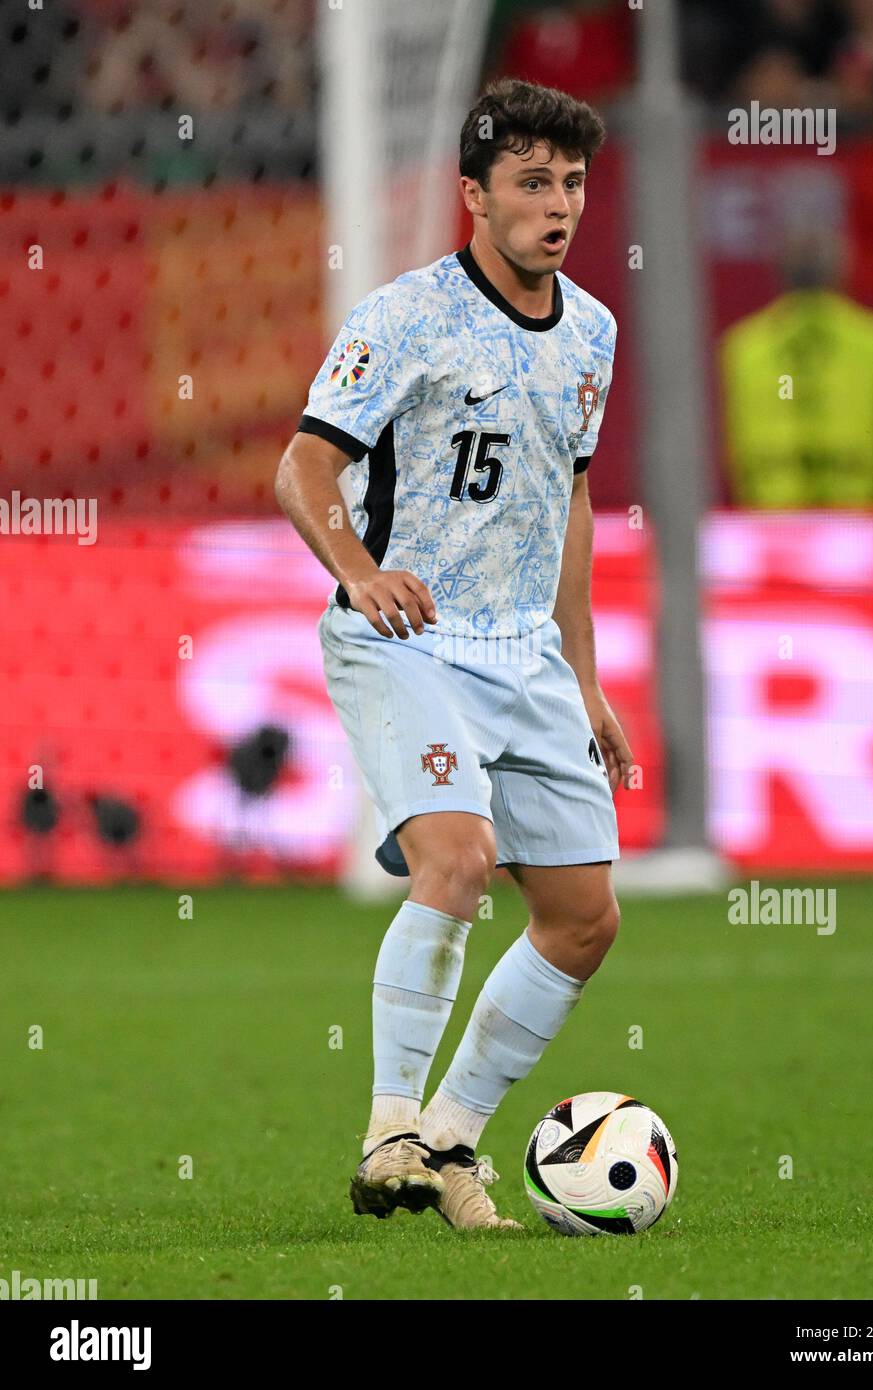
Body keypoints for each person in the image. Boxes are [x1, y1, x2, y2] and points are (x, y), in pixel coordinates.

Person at [275, 78, 631, 1230]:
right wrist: (356, 570)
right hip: (408, 638)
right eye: (532, 182)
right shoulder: (405, 317)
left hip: (527, 653)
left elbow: (568, 504)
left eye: (572, 182)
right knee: (461, 857)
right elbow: (304, 466)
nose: (558, 204)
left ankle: (450, 1136)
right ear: (474, 195)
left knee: (584, 917)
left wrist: (584, 676)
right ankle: (389, 1128)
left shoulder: (592, 332)